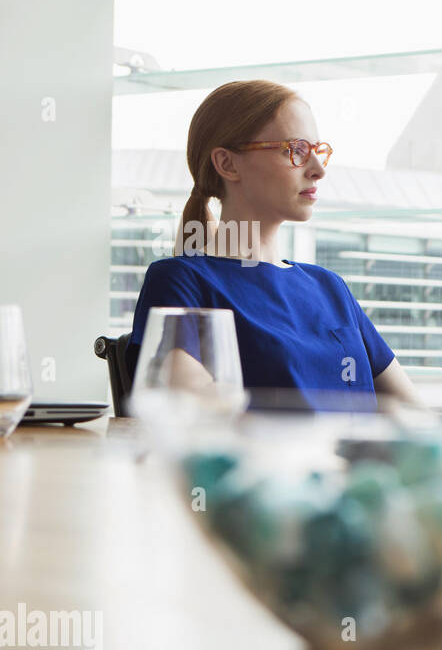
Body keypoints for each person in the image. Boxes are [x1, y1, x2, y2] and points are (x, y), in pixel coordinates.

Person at [129, 79, 424, 412]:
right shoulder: (181, 280)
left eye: (318, 151)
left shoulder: (330, 287)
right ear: (227, 164)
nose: (318, 170)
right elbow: (190, 406)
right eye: (296, 150)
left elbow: (414, 414)